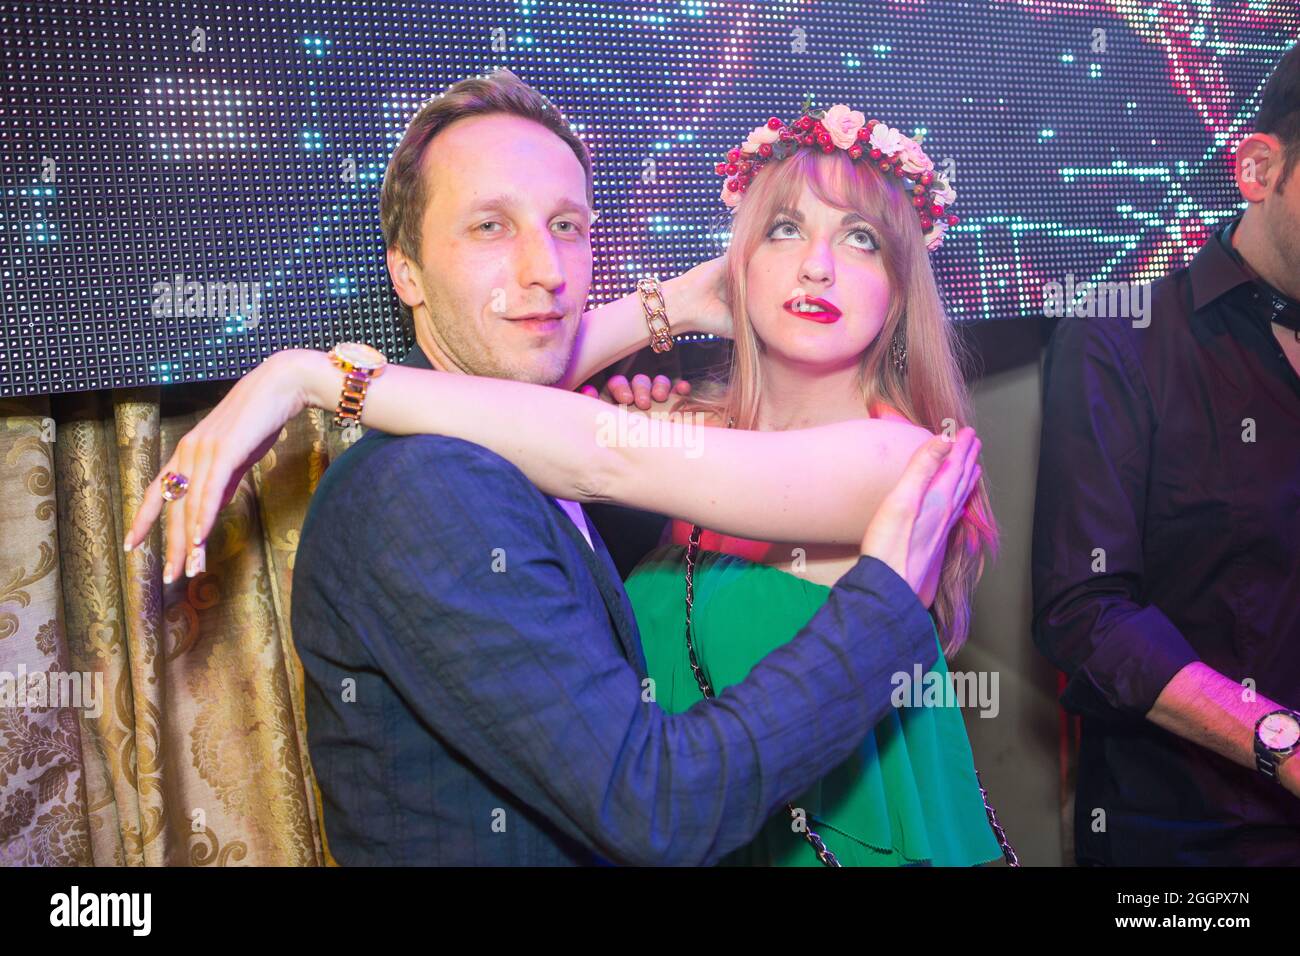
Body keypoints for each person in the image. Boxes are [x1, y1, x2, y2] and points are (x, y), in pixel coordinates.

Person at [123, 70, 988, 865]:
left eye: (864, 239)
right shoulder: (676, 437)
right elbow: (524, 394)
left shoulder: (899, 460)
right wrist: (674, 306)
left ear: (904, 288)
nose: (818, 265)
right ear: (739, 262)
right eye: (786, 228)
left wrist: (310, 376)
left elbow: (579, 440)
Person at [1032, 42, 1300, 865]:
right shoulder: (1121, 336)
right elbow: (1086, 612)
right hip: (1202, 844)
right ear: (1258, 168)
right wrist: (1283, 747)